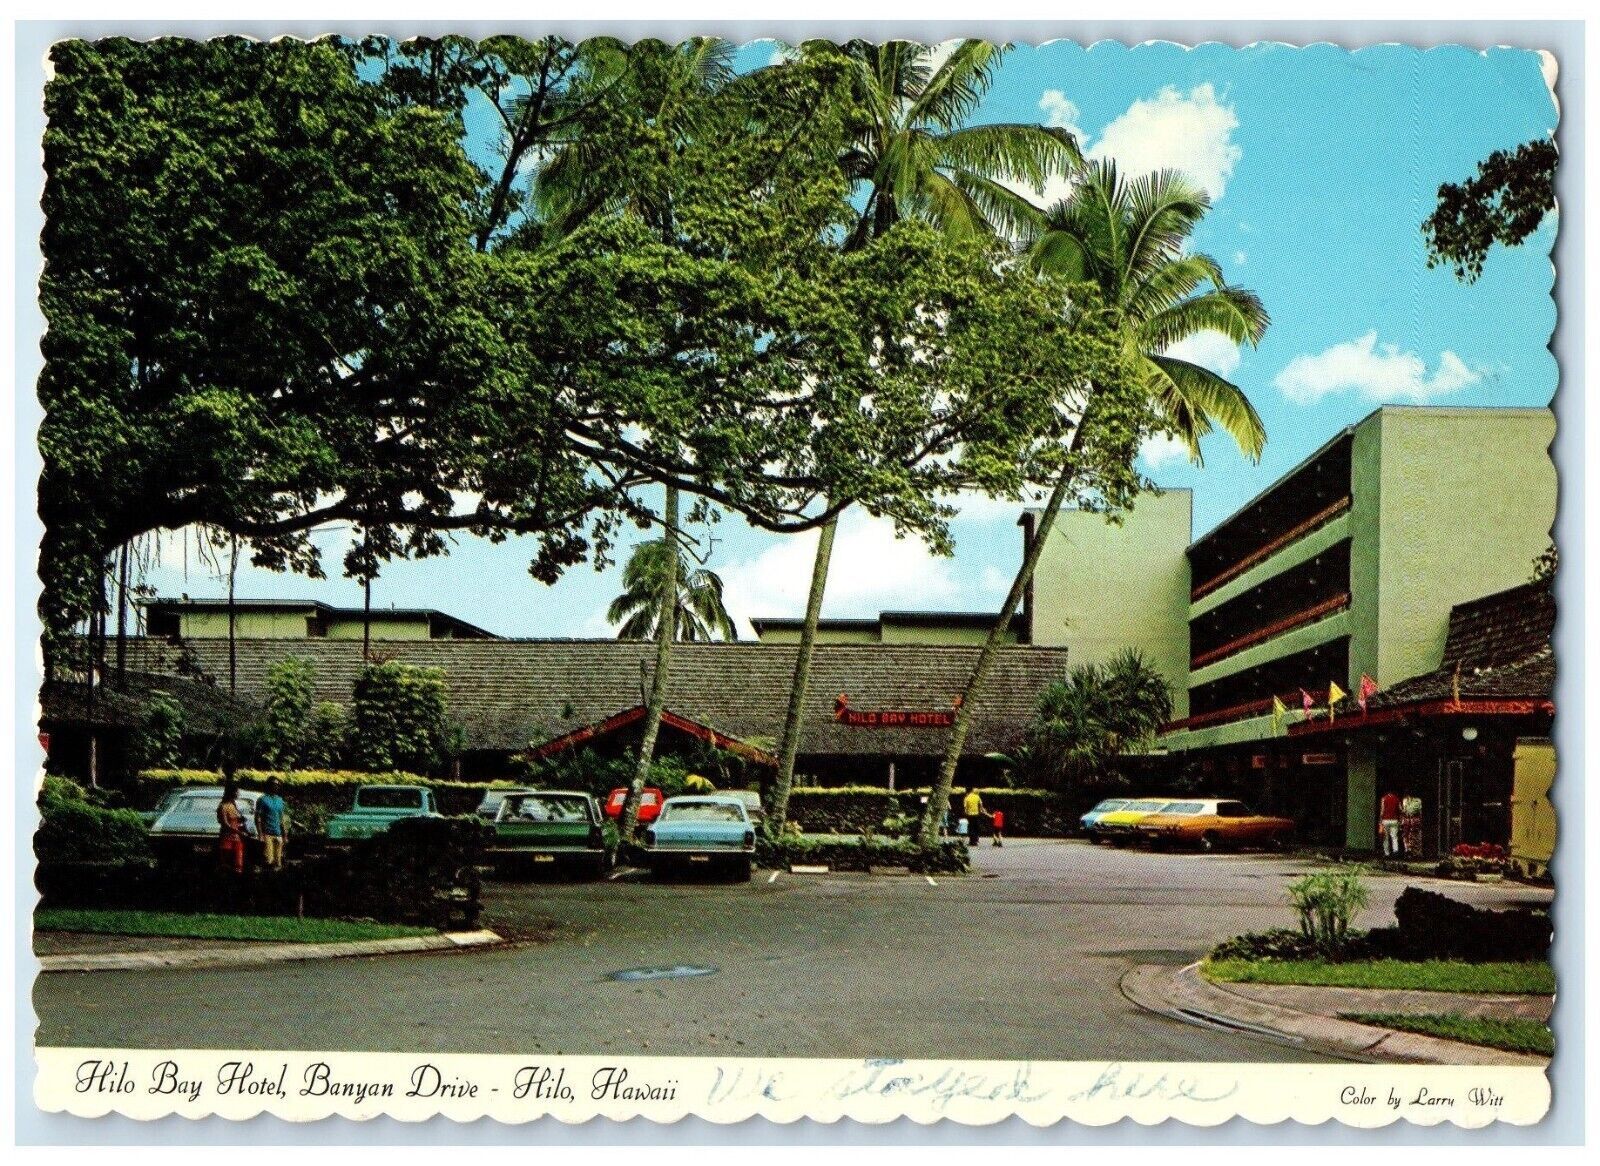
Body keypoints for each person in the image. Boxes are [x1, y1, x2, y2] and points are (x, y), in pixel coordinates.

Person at [254, 777, 289, 872]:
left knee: (278, 861)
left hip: (278, 833)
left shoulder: (280, 800)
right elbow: (258, 818)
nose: (276, 786)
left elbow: (282, 819)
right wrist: (260, 834)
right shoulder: (262, 800)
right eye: (274, 784)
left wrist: (285, 835)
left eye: (278, 785)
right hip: (267, 834)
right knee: (269, 860)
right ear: (269, 785)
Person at [217, 780, 249, 876]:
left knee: (238, 863)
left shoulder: (233, 804)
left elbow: (235, 821)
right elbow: (225, 824)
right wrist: (239, 832)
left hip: (237, 838)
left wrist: (240, 820)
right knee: (227, 864)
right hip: (227, 838)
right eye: (236, 791)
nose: (238, 793)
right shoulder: (223, 806)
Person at [1378, 789, 1402, 857]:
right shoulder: (1397, 799)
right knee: (1394, 837)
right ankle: (1395, 851)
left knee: (1386, 838)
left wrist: (1380, 819)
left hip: (1385, 820)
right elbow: (1400, 809)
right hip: (1394, 820)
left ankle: (1387, 853)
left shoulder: (1384, 798)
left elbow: (1382, 810)